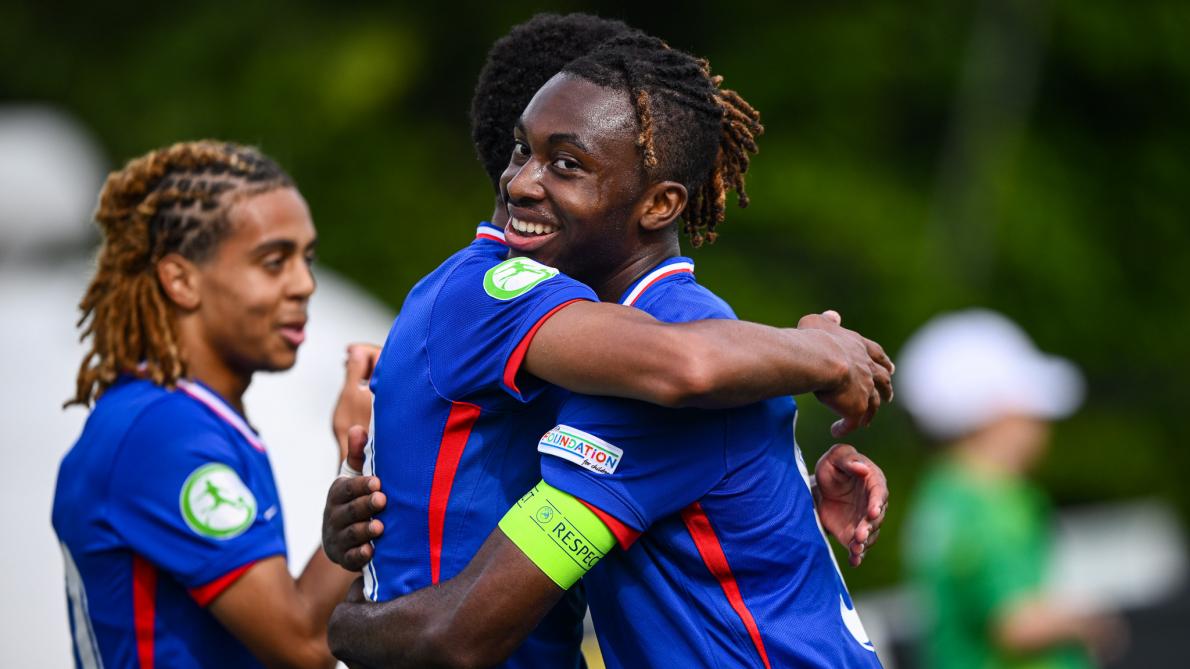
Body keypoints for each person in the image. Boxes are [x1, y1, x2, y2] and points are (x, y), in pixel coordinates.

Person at [326, 32, 888, 669]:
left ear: (659, 203)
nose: (525, 182)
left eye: (567, 163)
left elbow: (455, 637)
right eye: (524, 150)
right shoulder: (616, 334)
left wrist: (342, 625)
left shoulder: (663, 358)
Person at [52, 141, 365, 668]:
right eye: (273, 262)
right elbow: (304, 643)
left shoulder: (177, 416)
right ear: (180, 280)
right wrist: (374, 455)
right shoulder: (162, 434)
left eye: (306, 259)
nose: (304, 284)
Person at [898, 309, 1126, 669]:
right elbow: (1015, 623)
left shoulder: (939, 495)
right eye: (1030, 407)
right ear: (994, 412)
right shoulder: (994, 501)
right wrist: (1087, 623)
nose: (1041, 423)